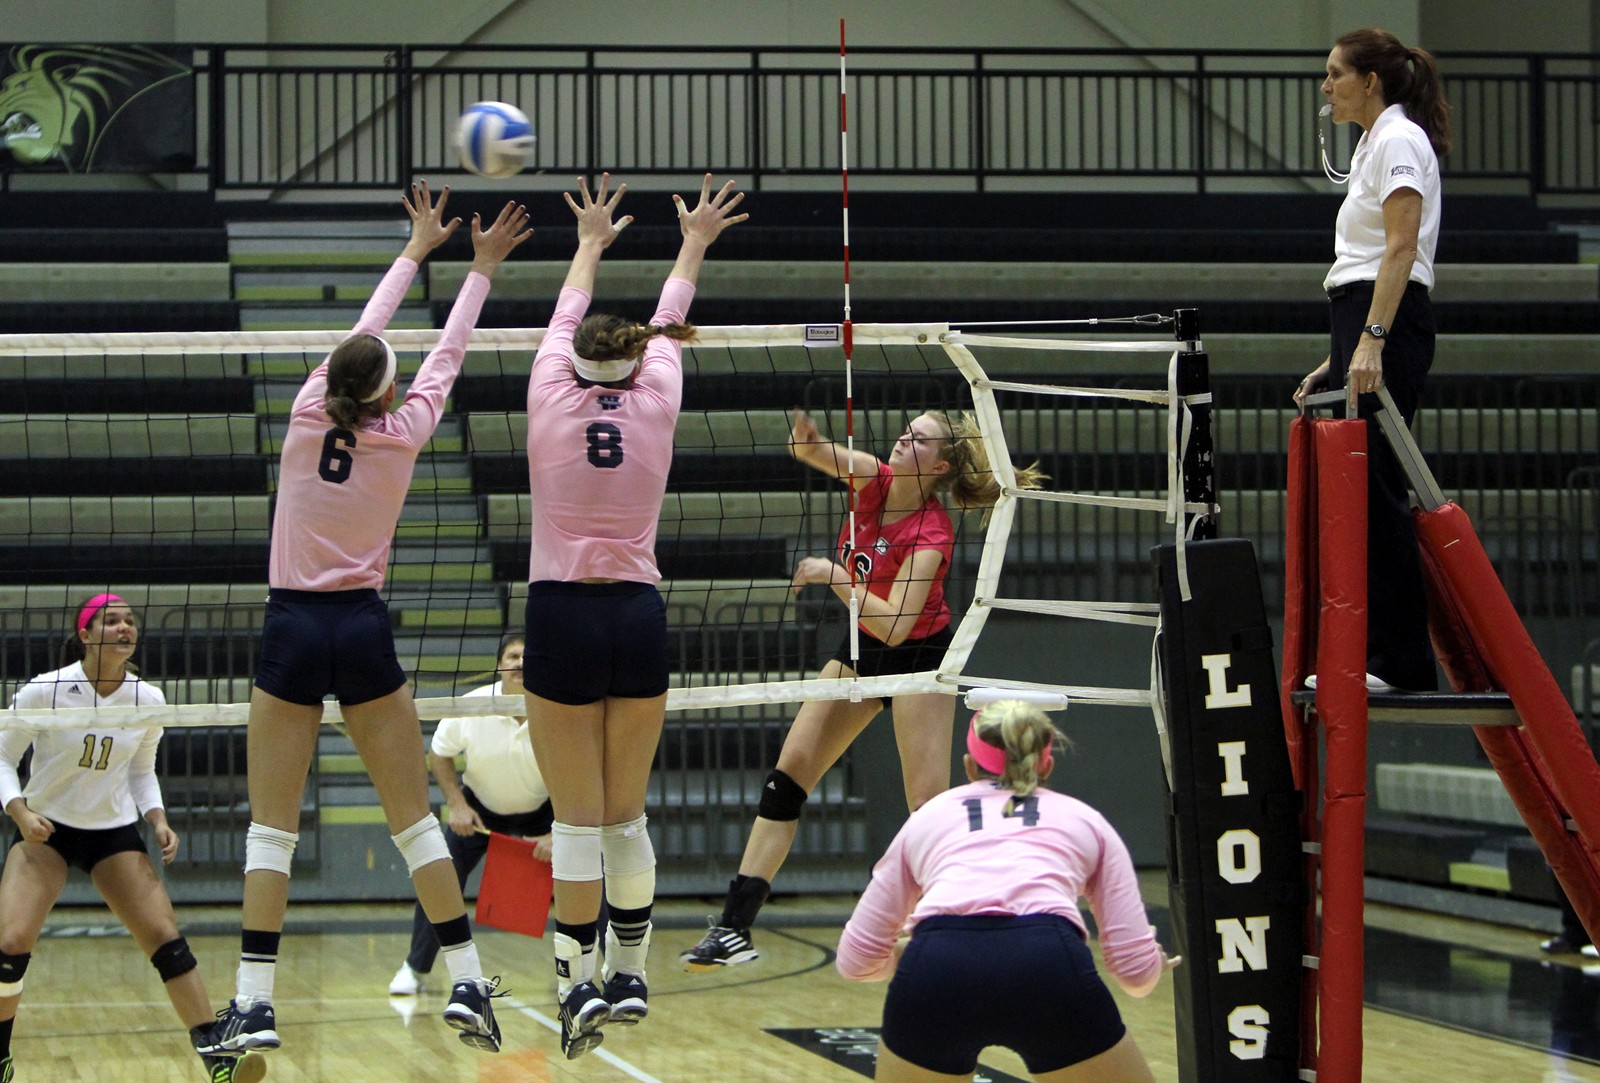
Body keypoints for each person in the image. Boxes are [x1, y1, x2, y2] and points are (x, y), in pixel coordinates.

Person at [198, 183, 532, 1060]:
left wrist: (413, 248)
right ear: (389, 391)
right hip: (360, 626)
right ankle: (466, 979)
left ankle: (254, 1002)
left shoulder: (309, 407)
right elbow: (449, 351)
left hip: (292, 625)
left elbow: (365, 330)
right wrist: (479, 269)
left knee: (271, 827)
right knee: (415, 819)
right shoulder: (408, 427)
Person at [681, 408, 1045, 970]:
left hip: (919, 658)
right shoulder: (874, 478)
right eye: (906, 430)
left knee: (926, 807)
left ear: (939, 465)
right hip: (861, 648)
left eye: (919, 439)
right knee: (786, 781)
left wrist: (834, 576)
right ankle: (733, 929)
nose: (903, 439)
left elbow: (896, 625)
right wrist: (806, 440)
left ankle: (948, 923)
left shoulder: (930, 533)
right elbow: (811, 453)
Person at [521, 171, 746, 1059]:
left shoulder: (549, 392)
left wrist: (588, 240)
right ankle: (632, 974)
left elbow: (567, 314)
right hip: (637, 616)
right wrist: (693, 240)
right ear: (638, 358)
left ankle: (575, 985)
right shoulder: (658, 398)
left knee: (576, 821)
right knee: (626, 814)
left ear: (575, 358)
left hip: (561, 615)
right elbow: (669, 317)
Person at [835, 698, 1180, 1083]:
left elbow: (856, 961)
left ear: (969, 766)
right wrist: (1153, 963)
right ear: (1045, 766)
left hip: (937, 968)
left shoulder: (926, 819)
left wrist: (911, 955)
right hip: (1046, 966)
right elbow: (1135, 974)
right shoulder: (1087, 821)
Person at [1, 595, 265, 1083]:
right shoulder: (46, 689)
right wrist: (20, 812)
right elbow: (2, 756)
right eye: (111, 621)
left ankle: (218, 1059)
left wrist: (158, 819)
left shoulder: (148, 699)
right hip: (47, 828)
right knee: (10, 945)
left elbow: (142, 771)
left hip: (111, 832)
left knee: (167, 942)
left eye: (129, 621)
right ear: (85, 635)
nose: (125, 627)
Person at [1294, 27, 1450, 693]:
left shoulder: (1398, 139)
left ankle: (1399, 661)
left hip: (1386, 316)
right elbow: (1366, 260)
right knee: (1358, 486)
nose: (1326, 86)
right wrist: (1340, 352)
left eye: (1336, 73)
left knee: (1377, 484)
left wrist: (1373, 337)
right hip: (1361, 313)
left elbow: (1400, 247)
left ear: (1371, 81)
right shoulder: (1371, 144)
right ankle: (1373, 651)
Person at [389, 633, 554, 996]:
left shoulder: (557, 706)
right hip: (479, 809)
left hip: (546, 810)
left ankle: (598, 970)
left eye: (528, 656)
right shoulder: (473, 705)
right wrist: (457, 804)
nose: (520, 663)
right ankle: (415, 969)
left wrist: (561, 831)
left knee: (586, 868)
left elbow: (579, 769)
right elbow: (439, 753)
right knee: (441, 875)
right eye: (513, 656)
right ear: (499, 665)